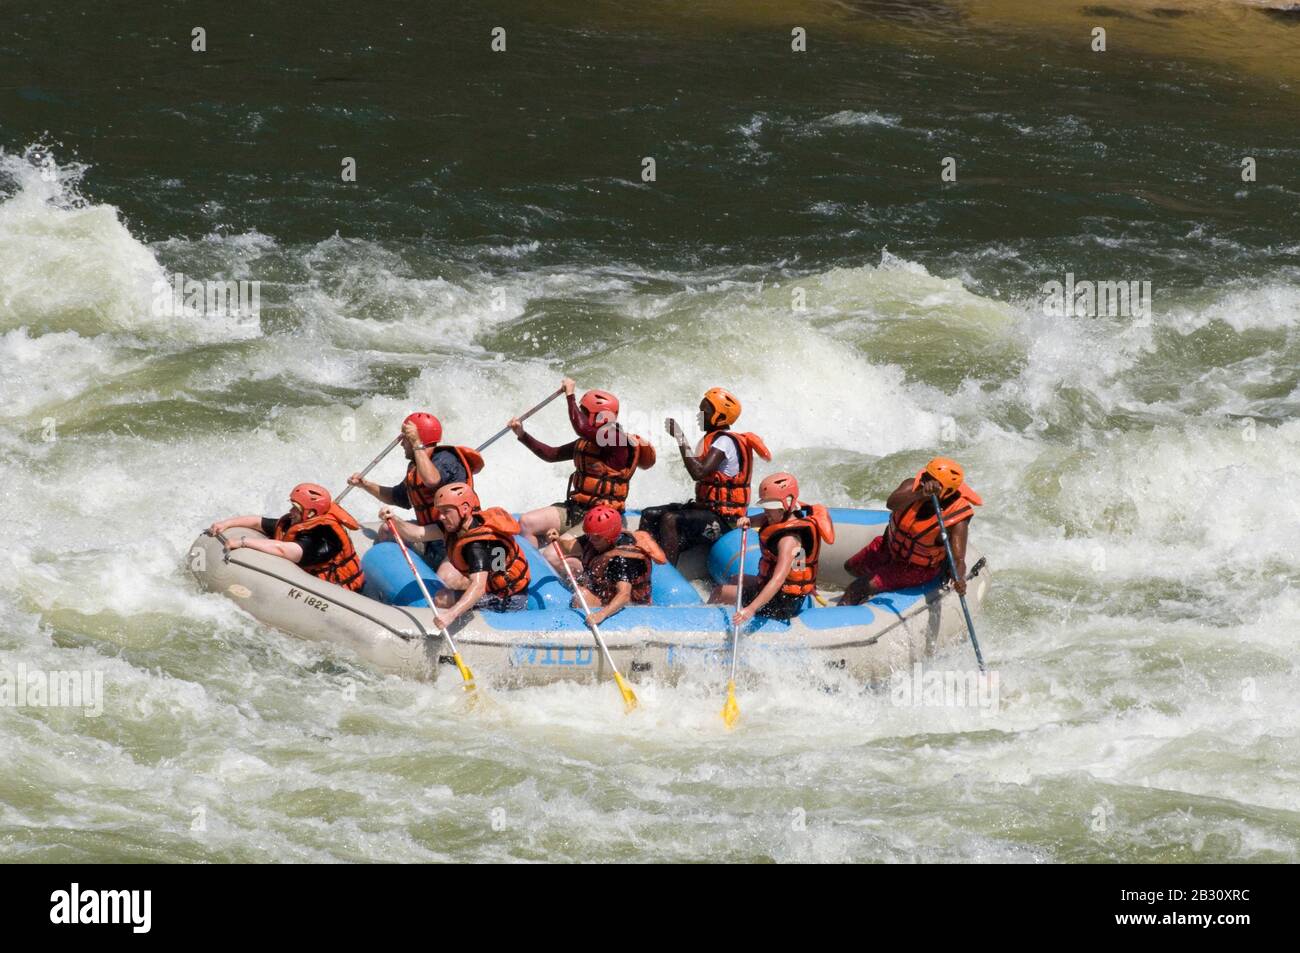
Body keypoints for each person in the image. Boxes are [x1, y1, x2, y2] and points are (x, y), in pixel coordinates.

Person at [509, 377, 655, 546]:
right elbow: (551, 455)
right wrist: (522, 434)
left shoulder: (616, 439)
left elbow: (581, 427)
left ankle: (572, 561)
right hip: (577, 509)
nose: (581, 415)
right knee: (527, 523)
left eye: (584, 412)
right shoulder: (588, 442)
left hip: (603, 517)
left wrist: (570, 395)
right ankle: (534, 570)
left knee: (555, 550)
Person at [639, 387, 771, 564]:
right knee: (650, 514)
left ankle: (667, 570)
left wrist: (680, 437)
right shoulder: (714, 439)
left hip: (726, 521)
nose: (698, 416)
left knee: (671, 519)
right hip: (707, 512)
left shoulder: (725, 441)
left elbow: (698, 472)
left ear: (720, 417)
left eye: (704, 412)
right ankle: (643, 564)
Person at [381, 482, 531, 626]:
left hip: (508, 599)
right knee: (455, 583)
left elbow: (478, 587)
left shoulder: (477, 545)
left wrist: (450, 615)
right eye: (440, 511)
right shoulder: (456, 526)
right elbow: (418, 534)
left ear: (464, 509)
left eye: (446, 511)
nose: (441, 516)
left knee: (442, 599)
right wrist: (394, 519)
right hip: (493, 584)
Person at [841, 457, 982, 604]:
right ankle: (871, 592)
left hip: (916, 569)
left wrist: (959, 578)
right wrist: (920, 494)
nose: (924, 482)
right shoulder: (911, 486)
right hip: (888, 548)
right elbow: (891, 503)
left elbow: (959, 559)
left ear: (946, 491)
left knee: (857, 587)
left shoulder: (956, 520)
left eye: (932, 481)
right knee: (851, 567)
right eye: (926, 476)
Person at [710, 472, 833, 624]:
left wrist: (751, 609)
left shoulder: (788, 540)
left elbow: (778, 579)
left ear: (784, 507)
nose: (765, 512)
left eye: (769, 508)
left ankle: (705, 622)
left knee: (719, 592)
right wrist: (748, 520)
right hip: (781, 591)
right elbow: (763, 519)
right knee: (734, 579)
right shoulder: (789, 515)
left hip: (781, 602)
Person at [347, 412, 483, 546]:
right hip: (431, 535)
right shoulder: (415, 467)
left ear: (416, 438)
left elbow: (432, 480)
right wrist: (365, 484)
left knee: (444, 567)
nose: (402, 444)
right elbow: (394, 496)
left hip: (454, 535)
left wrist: (416, 443)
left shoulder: (446, 460)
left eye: (405, 439)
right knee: (387, 530)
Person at [209, 483, 365, 592]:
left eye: (296, 508)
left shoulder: (321, 536)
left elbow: (284, 550)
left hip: (340, 590)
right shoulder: (295, 522)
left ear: (310, 513)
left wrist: (244, 542)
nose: (291, 510)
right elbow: (258, 522)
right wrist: (226, 523)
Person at [545, 504, 666, 625]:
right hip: (605, 589)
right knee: (576, 576)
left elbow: (624, 595)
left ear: (610, 536)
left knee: (582, 595)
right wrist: (557, 539)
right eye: (589, 534)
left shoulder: (622, 558)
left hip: (630, 604)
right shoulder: (594, 536)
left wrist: (601, 614)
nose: (591, 540)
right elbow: (569, 547)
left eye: (596, 537)